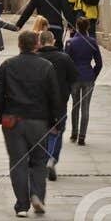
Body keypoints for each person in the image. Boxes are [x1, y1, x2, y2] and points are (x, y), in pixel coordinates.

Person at [0, 28, 62, 217]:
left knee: (18, 162)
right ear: (37, 44)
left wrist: (0, 116)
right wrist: (57, 121)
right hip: (38, 121)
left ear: (19, 45)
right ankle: (37, 196)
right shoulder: (46, 66)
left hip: (12, 120)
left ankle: (22, 205)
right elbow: (55, 97)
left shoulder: (7, 65)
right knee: (38, 161)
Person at [36, 26, 77, 180]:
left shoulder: (35, 58)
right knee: (56, 132)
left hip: (39, 103)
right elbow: (74, 77)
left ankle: (43, 159)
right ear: (53, 41)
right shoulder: (64, 58)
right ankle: (51, 159)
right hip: (60, 102)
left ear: (40, 42)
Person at [67, 15, 103, 144]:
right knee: (85, 107)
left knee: (75, 106)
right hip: (88, 76)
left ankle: (74, 133)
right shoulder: (92, 42)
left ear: (76, 26)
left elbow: (67, 62)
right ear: (88, 27)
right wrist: (93, 74)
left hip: (75, 78)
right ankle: (82, 136)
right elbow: (99, 63)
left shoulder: (70, 42)